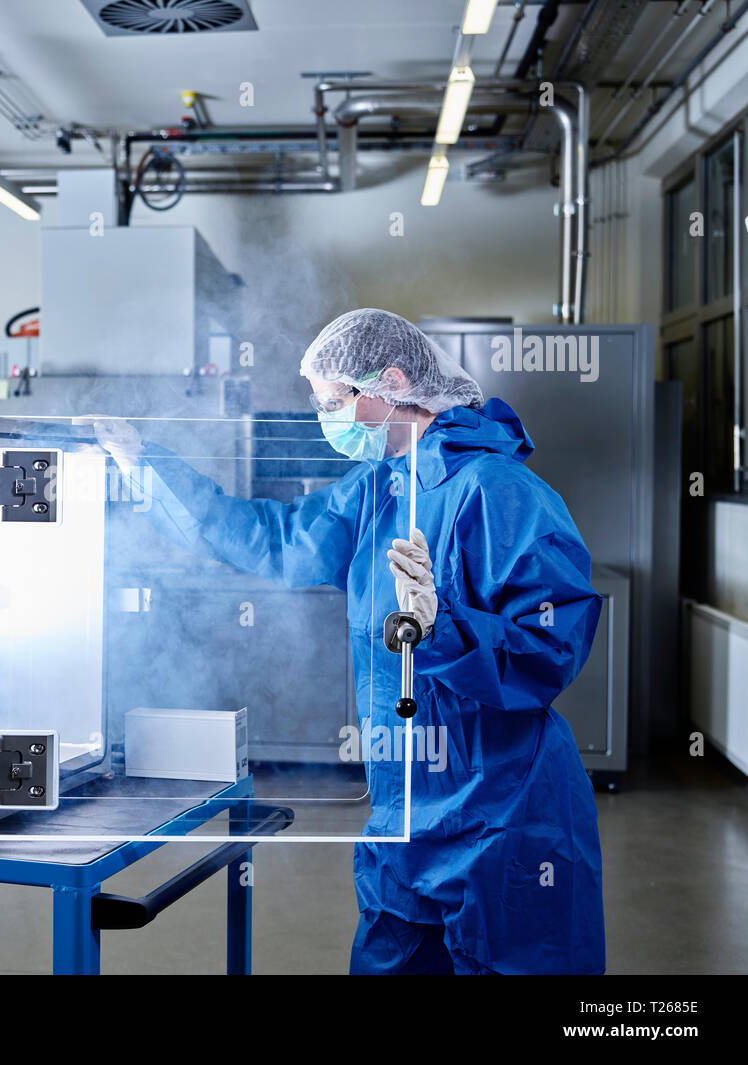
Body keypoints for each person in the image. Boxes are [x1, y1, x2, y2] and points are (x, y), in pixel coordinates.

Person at [88, 308, 605, 975]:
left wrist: (443, 624)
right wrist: (147, 466)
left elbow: (550, 648)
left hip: (501, 816)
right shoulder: (376, 491)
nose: (326, 419)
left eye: (334, 402)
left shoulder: (498, 493)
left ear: (390, 382)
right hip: (402, 818)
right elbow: (271, 538)